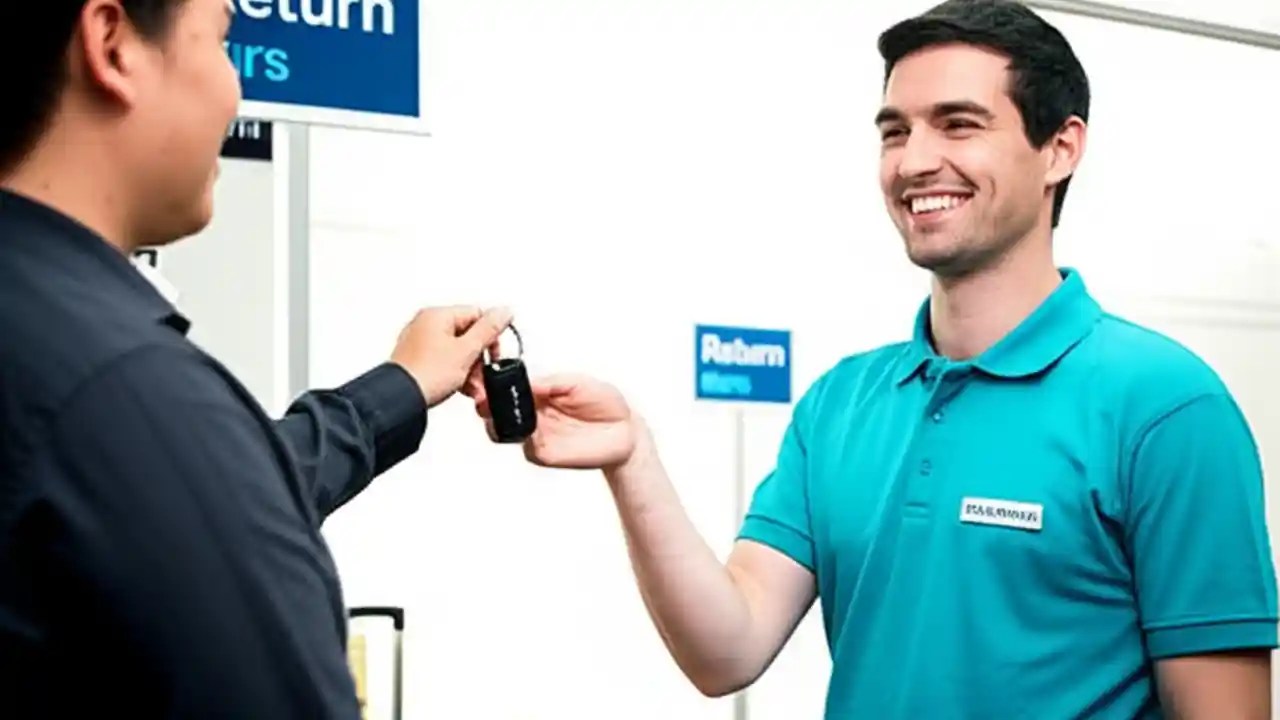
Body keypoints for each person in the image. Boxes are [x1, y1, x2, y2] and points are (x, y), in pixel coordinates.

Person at [467, 1, 1277, 717]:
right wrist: (632, 458)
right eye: (896, 130)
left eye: (959, 124)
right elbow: (727, 651)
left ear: (1060, 149)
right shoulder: (840, 402)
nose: (914, 160)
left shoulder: (1165, 407)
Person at [0, 0, 510, 717]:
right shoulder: (126, 389)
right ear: (113, 44)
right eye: (223, 40)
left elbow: (188, 490)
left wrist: (397, 389)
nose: (236, 87)